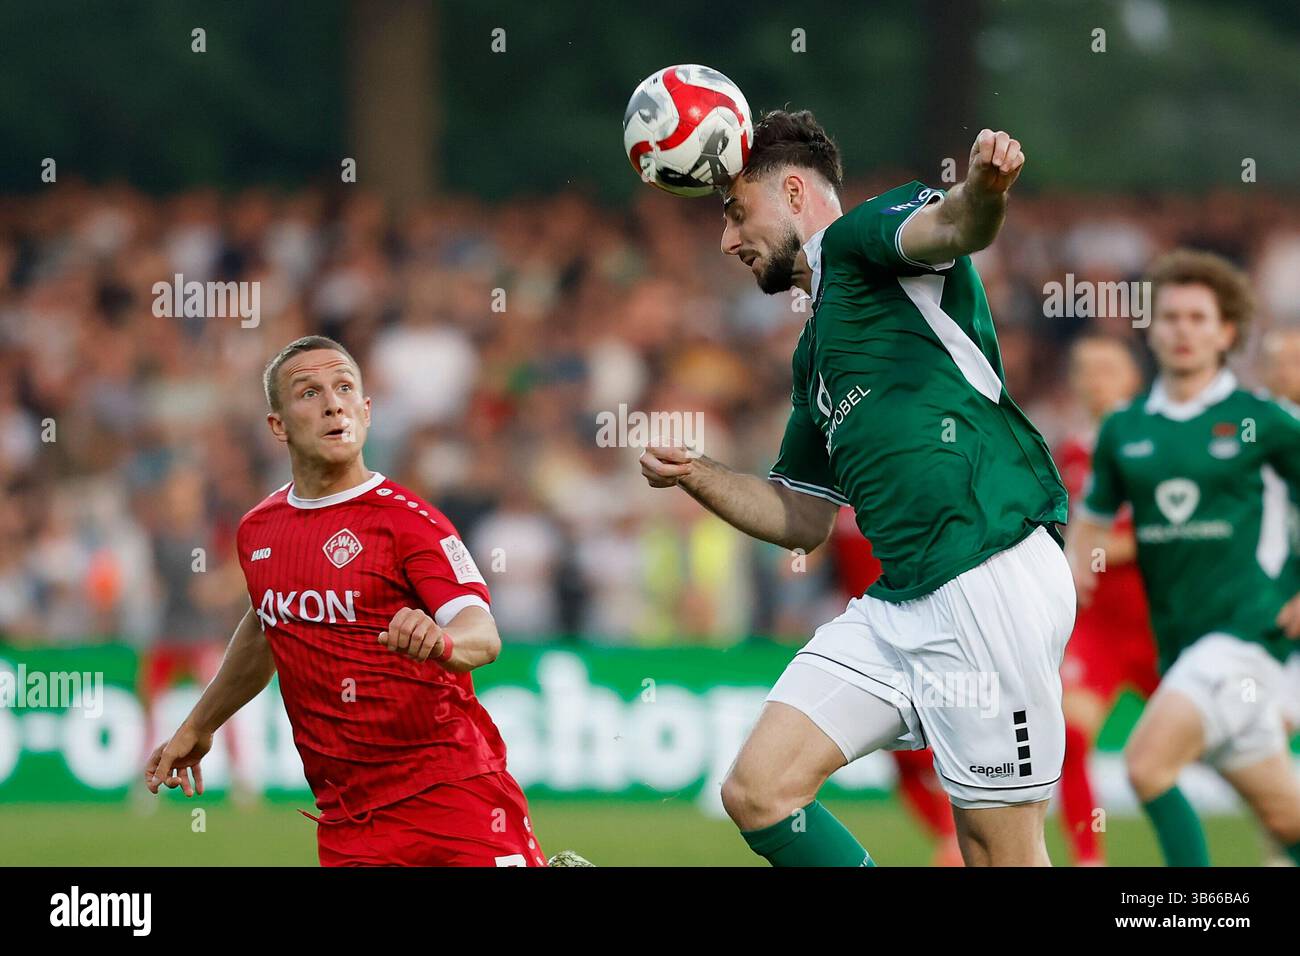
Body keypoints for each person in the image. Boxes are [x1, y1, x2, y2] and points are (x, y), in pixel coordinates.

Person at [641, 112, 1074, 866]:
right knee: (759, 790)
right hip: (901, 599)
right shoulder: (814, 354)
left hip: (986, 569)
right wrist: (699, 476)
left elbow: (952, 229)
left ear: (797, 191)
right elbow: (802, 515)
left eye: (736, 213)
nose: (727, 240)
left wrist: (984, 190)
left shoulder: (858, 239)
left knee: (999, 851)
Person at [145, 335, 548, 867]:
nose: (333, 402)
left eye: (344, 388)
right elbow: (268, 624)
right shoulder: (258, 531)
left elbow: (482, 632)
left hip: (454, 797)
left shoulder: (411, 522)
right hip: (350, 821)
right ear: (277, 425)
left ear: (365, 410)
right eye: (309, 392)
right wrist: (200, 724)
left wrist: (442, 640)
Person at [1068, 250, 1300, 866]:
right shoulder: (1126, 428)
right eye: (1170, 317)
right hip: (1181, 649)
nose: (1183, 330)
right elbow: (1091, 521)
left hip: (1247, 640)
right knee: (1285, 818)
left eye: (1199, 318)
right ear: (1152, 329)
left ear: (1226, 332)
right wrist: (1072, 579)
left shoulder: (1261, 420)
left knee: (1147, 766)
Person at [1054, 336, 1156, 865]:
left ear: (1132, 380)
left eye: (1106, 368)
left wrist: (1094, 549)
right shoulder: (1070, 449)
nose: (1093, 379)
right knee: (1070, 737)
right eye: (1084, 369)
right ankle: (1089, 859)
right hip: (1096, 629)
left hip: (1158, 623)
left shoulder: (1154, 441)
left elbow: (1168, 531)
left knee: (1224, 745)